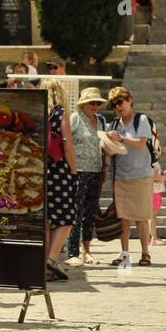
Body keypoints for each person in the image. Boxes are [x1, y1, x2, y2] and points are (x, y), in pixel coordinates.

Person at [103, 86, 155, 269]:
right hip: (121, 176)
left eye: (120, 102)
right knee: (123, 217)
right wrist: (106, 142)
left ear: (129, 99)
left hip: (141, 174)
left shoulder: (141, 120)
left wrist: (121, 139)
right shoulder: (114, 125)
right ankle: (125, 254)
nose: (118, 106)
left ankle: (145, 253)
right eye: (114, 104)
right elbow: (110, 151)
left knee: (141, 216)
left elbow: (141, 143)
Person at [41, 79, 78, 282]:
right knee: (66, 217)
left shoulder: (38, 113)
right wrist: (74, 170)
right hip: (59, 170)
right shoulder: (61, 114)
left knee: (47, 219)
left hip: (42, 171)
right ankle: (53, 259)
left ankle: (45, 268)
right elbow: (68, 146)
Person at [66, 87, 107, 267]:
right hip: (78, 171)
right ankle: (73, 252)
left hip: (96, 170)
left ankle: (87, 251)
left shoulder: (101, 121)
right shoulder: (75, 119)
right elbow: (66, 142)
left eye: (97, 103)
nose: (95, 106)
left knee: (90, 212)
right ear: (83, 104)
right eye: (92, 103)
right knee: (76, 211)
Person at [150, 154, 166, 247]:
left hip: (156, 190)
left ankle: (154, 237)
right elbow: (153, 177)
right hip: (154, 191)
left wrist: (164, 174)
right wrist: (165, 177)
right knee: (152, 215)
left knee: (153, 215)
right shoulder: (151, 161)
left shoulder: (154, 161)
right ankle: (153, 238)